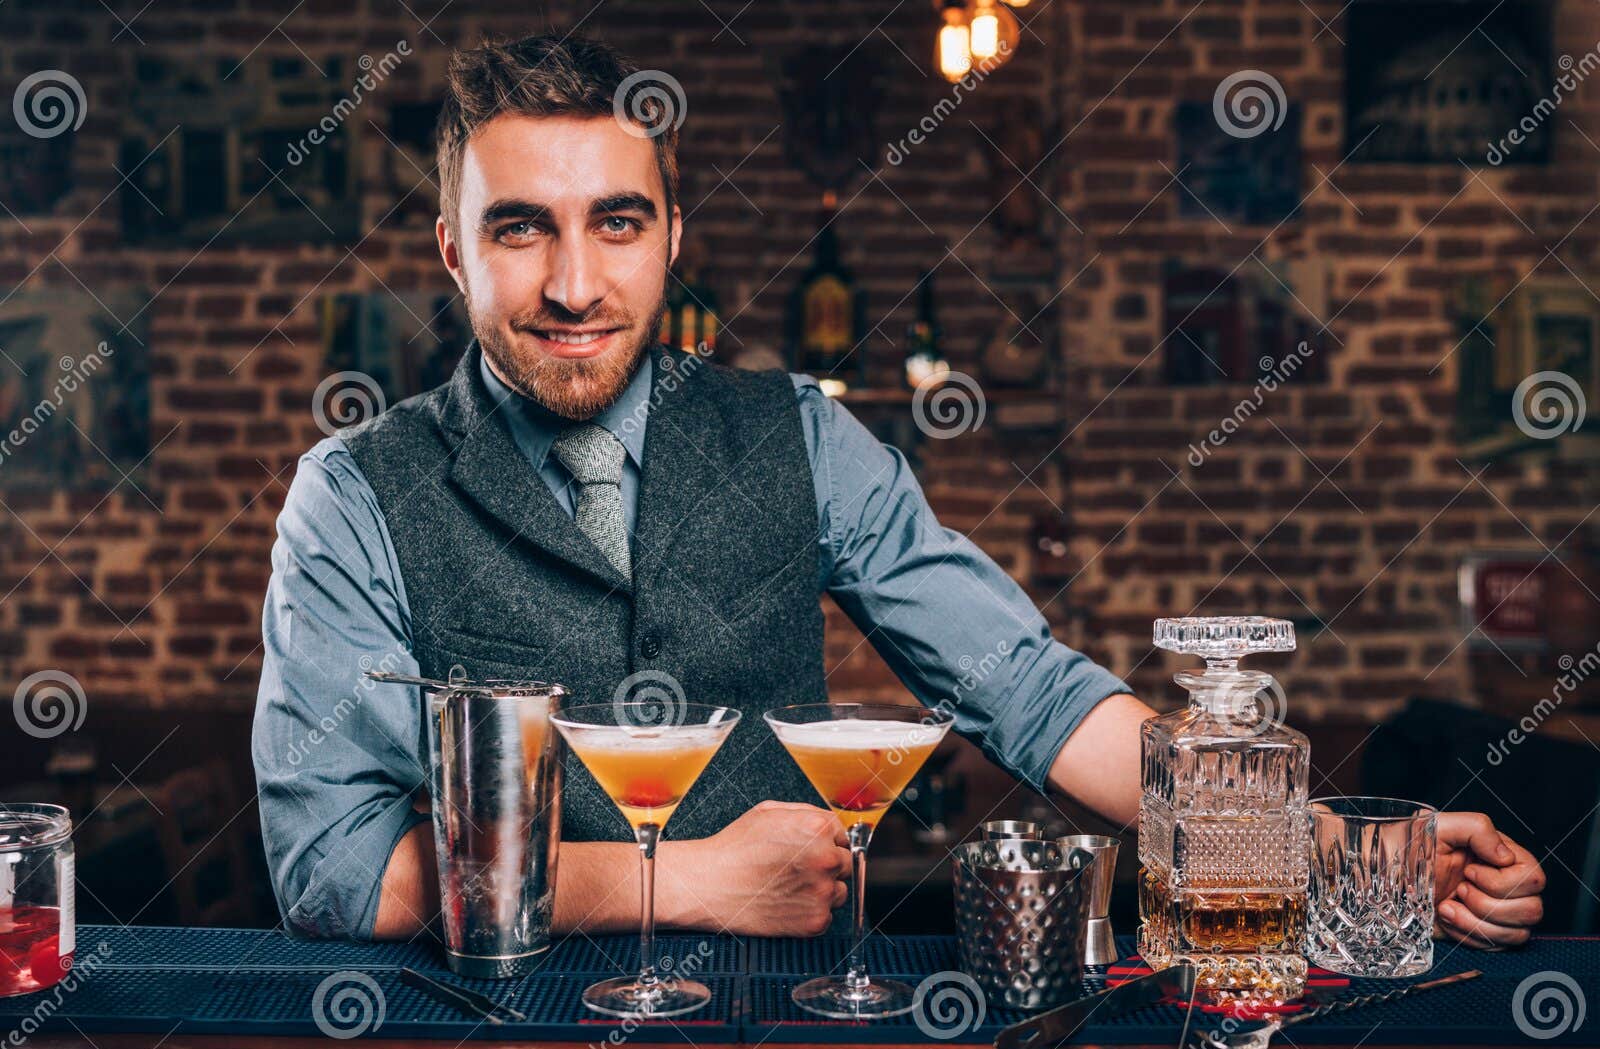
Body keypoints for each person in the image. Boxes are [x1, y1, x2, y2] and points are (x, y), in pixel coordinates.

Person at [251, 33, 1544, 951]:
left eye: (620, 223)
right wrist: (681, 880)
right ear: (453, 249)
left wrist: (1322, 845)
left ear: (674, 235)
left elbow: (1028, 691)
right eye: (521, 225)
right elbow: (333, 872)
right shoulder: (354, 496)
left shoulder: (804, 438)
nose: (576, 283)